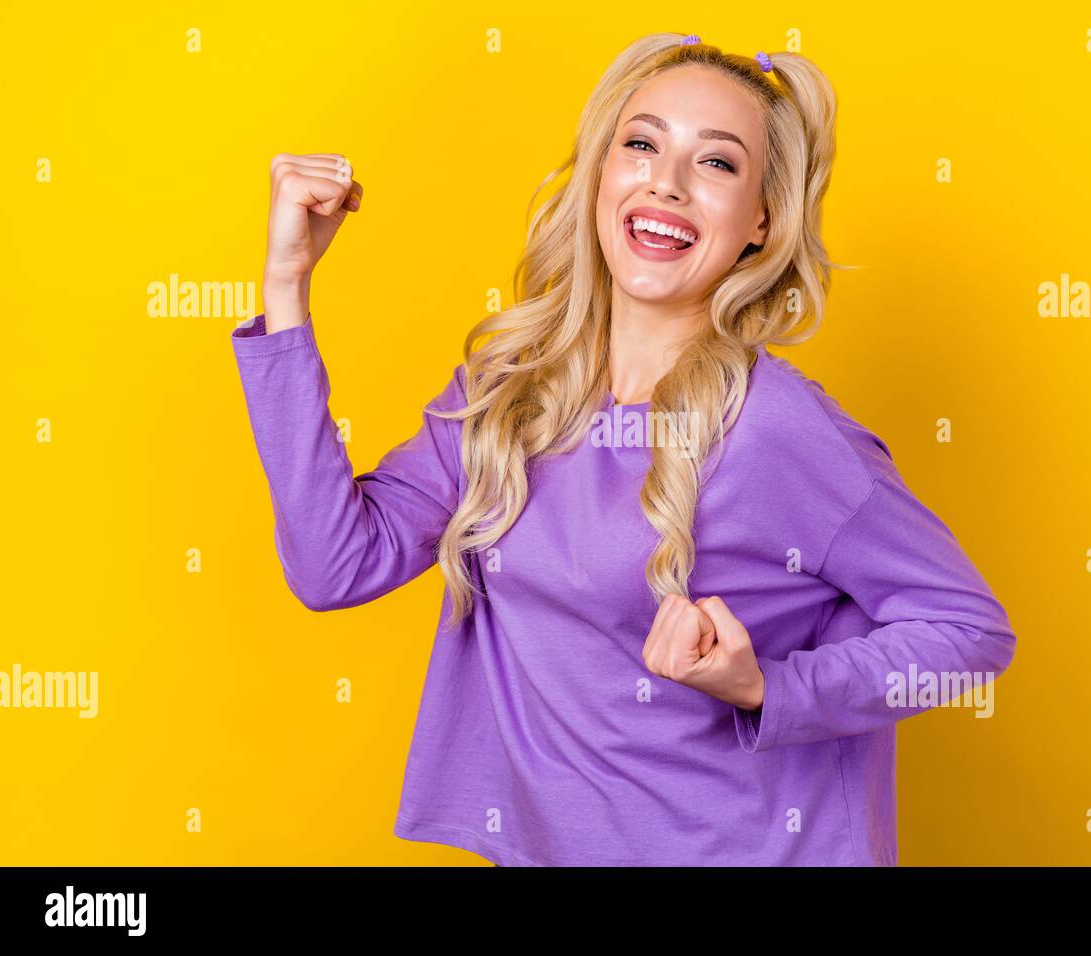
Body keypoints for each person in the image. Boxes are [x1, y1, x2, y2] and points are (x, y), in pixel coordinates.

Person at [230, 33, 1016, 866]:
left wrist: (767, 688)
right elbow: (333, 566)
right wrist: (287, 288)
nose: (665, 184)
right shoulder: (507, 394)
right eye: (641, 144)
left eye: (716, 164)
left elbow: (968, 633)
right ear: (601, 174)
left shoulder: (776, 429)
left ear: (763, 221)